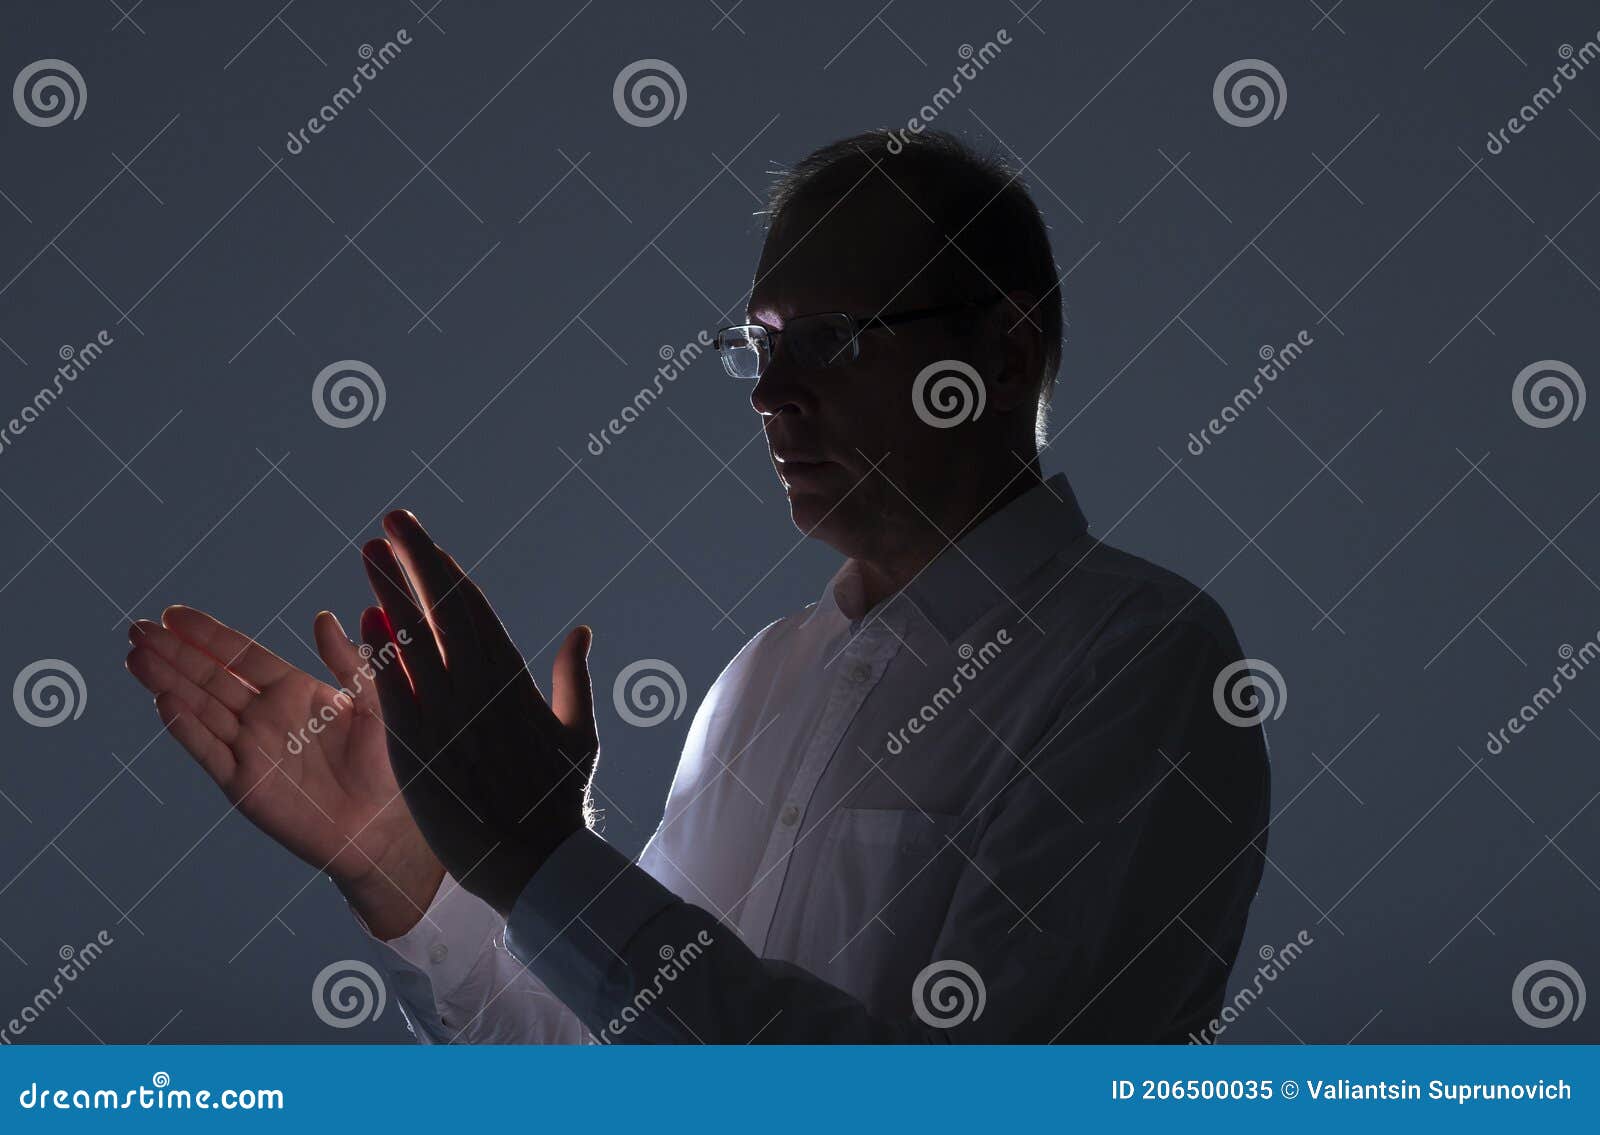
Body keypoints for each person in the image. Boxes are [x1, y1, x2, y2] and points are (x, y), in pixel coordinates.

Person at [123, 129, 1270, 1043]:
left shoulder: (1141, 659)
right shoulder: (763, 678)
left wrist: (536, 857)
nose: (770, 394)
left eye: (830, 340)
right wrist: (420, 878)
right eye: (757, 346)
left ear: (1006, 354)